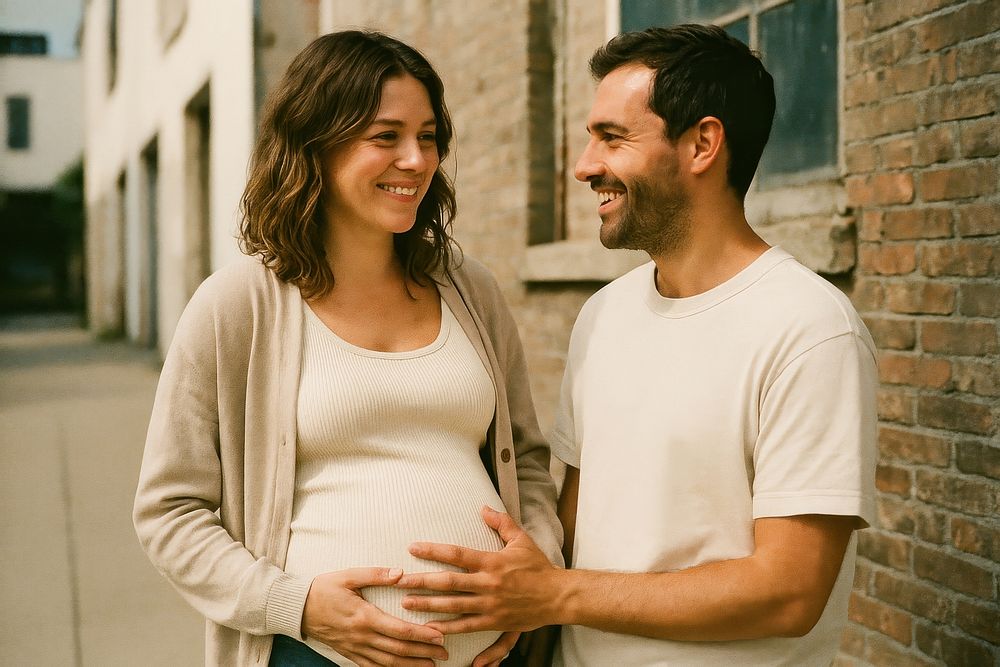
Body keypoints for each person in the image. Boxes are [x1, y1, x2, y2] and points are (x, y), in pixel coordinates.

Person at [396, 24, 877, 666]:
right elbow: (575, 527)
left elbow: (788, 594)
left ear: (702, 144)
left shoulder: (810, 330)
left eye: (612, 138)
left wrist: (554, 595)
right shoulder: (605, 315)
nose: (584, 166)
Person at [132, 30, 562, 667]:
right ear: (315, 147)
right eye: (385, 137)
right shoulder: (237, 305)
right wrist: (295, 604)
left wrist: (537, 573)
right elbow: (170, 511)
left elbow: (525, 460)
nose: (415, 160)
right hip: (314, 656)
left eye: (428, 137)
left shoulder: (471, 289)